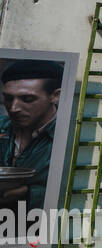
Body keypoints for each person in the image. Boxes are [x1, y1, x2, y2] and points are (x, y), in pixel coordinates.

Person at [0, 60, 62, 213]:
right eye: (8, 98)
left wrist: (28, 195)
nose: (13, 108)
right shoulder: (2, 125)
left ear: (55, 96)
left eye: (27, 99)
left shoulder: (67, 136)